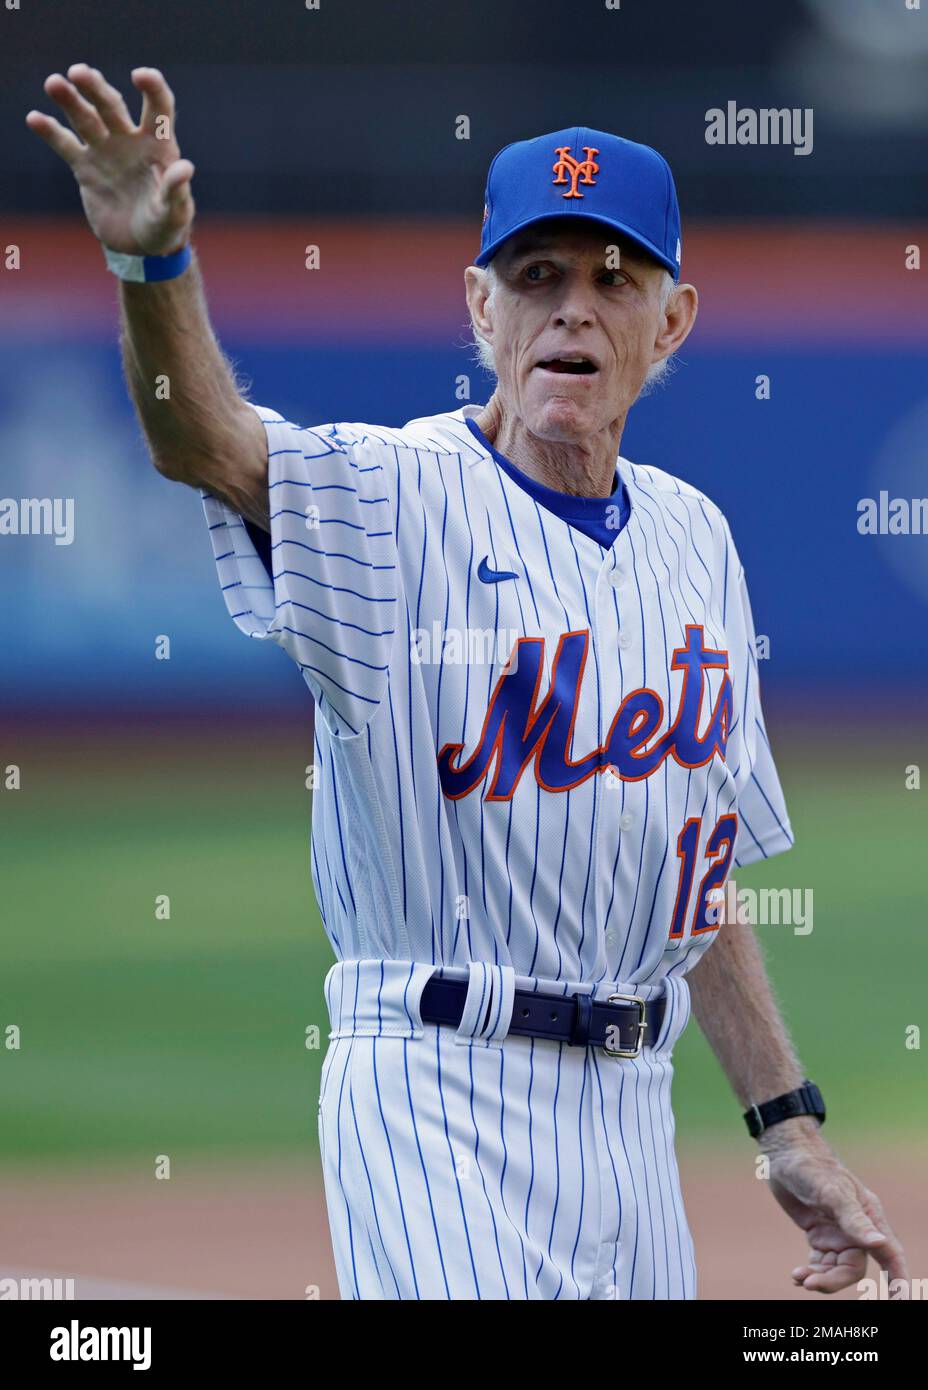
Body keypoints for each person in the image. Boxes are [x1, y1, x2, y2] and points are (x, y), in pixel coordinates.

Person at [27, 64, 909, 1301]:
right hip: (436, 1090)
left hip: (631, 1114)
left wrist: (786, 1123)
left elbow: (692, 872)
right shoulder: (389, 496)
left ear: (676, 320)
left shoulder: (696, 538)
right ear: (478, 308)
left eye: (616, 280)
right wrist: (150, 267)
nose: (573, 313)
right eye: (536, 277)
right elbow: (204, 440)